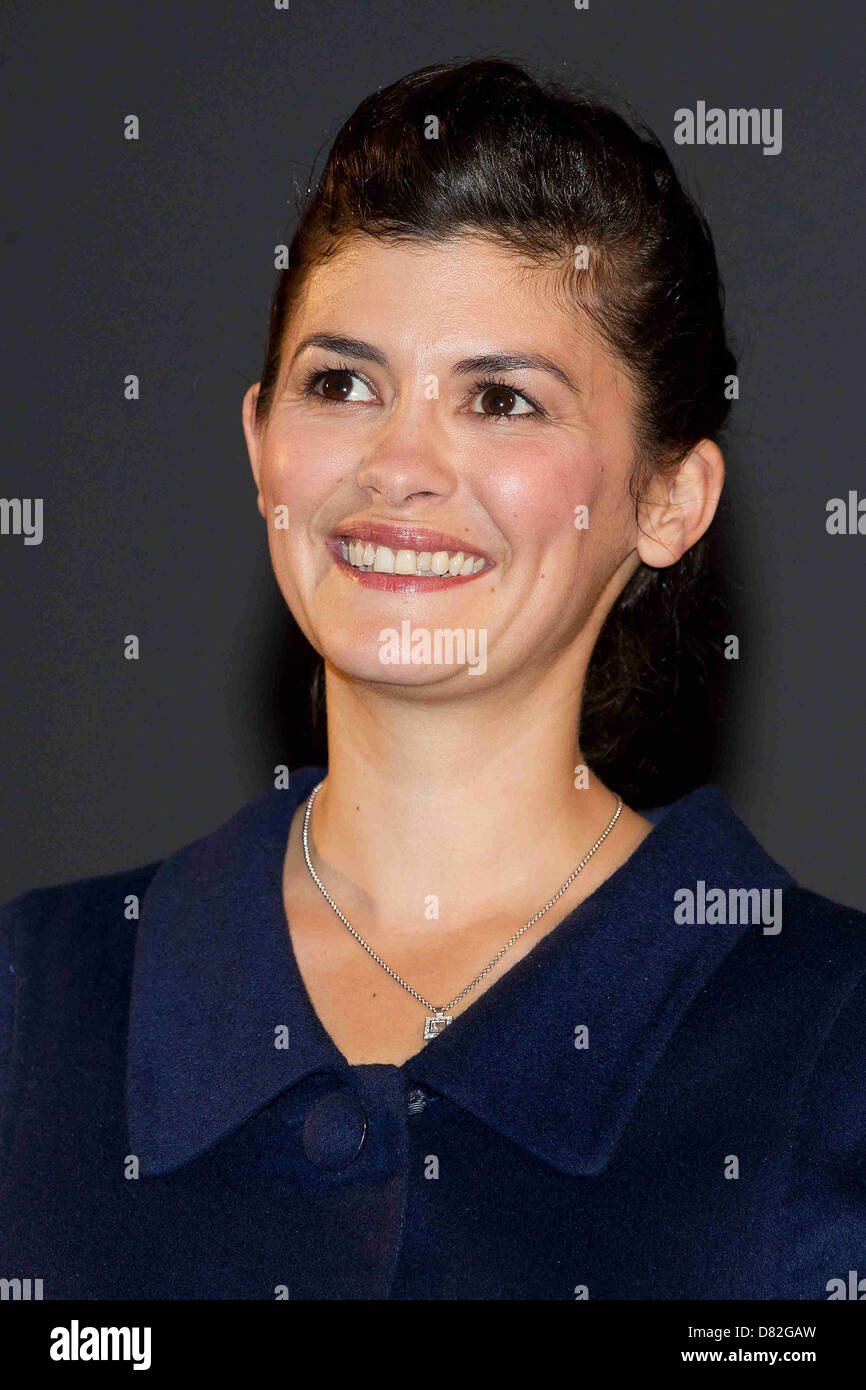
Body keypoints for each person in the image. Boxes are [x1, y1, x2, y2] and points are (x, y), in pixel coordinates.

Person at [1, 58, 864, 1301]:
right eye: (342, 385)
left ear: (669, 498)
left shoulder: (822, 1046)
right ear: (260, 445)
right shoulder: (45, 998)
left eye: (501, 399)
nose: (397, 463)